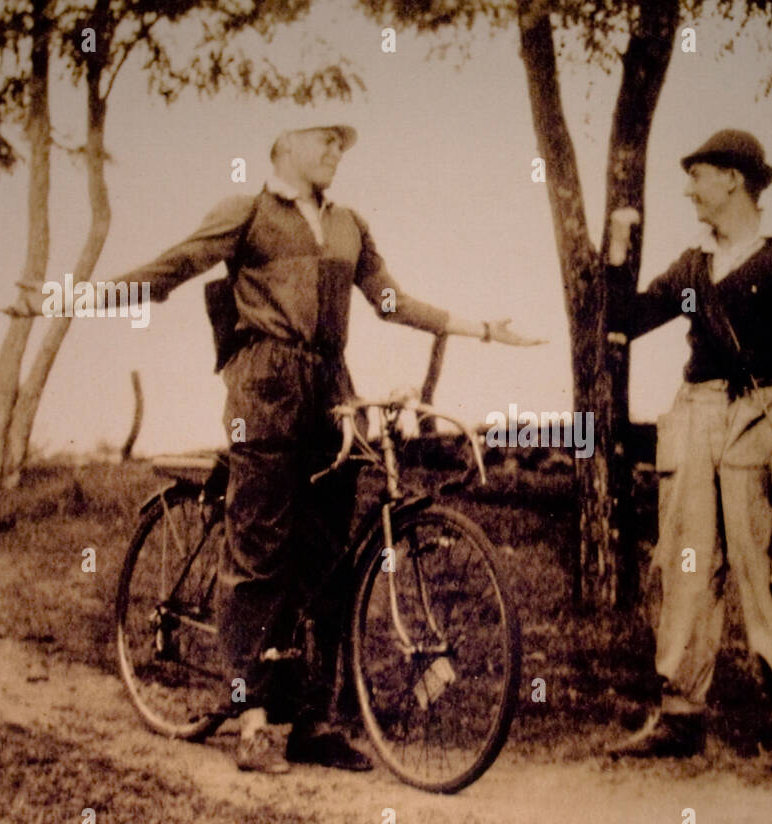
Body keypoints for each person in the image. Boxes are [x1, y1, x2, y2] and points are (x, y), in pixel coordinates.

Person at [111, 124, 542, 773]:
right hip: (264, 387)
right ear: (283, 143)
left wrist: (481, 329)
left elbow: (389, 301)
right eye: (324, 141)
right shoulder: (248, 211)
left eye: (343, 145)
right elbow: (174, 266)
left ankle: (313, 718)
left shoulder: (349, 224)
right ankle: (252, 720)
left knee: (329, 563)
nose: (335, 153)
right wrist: (75, 297)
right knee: (258, 555)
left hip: (331, 391)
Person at [604, 130, 772, 762]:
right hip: (693, 416)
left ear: (734, 180)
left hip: (761, 416)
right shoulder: (691, 270)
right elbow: (622, 320)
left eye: (699, 175)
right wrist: (618, 244)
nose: (690, 189)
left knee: (765, 561)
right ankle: (680, 711)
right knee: (685, 562)